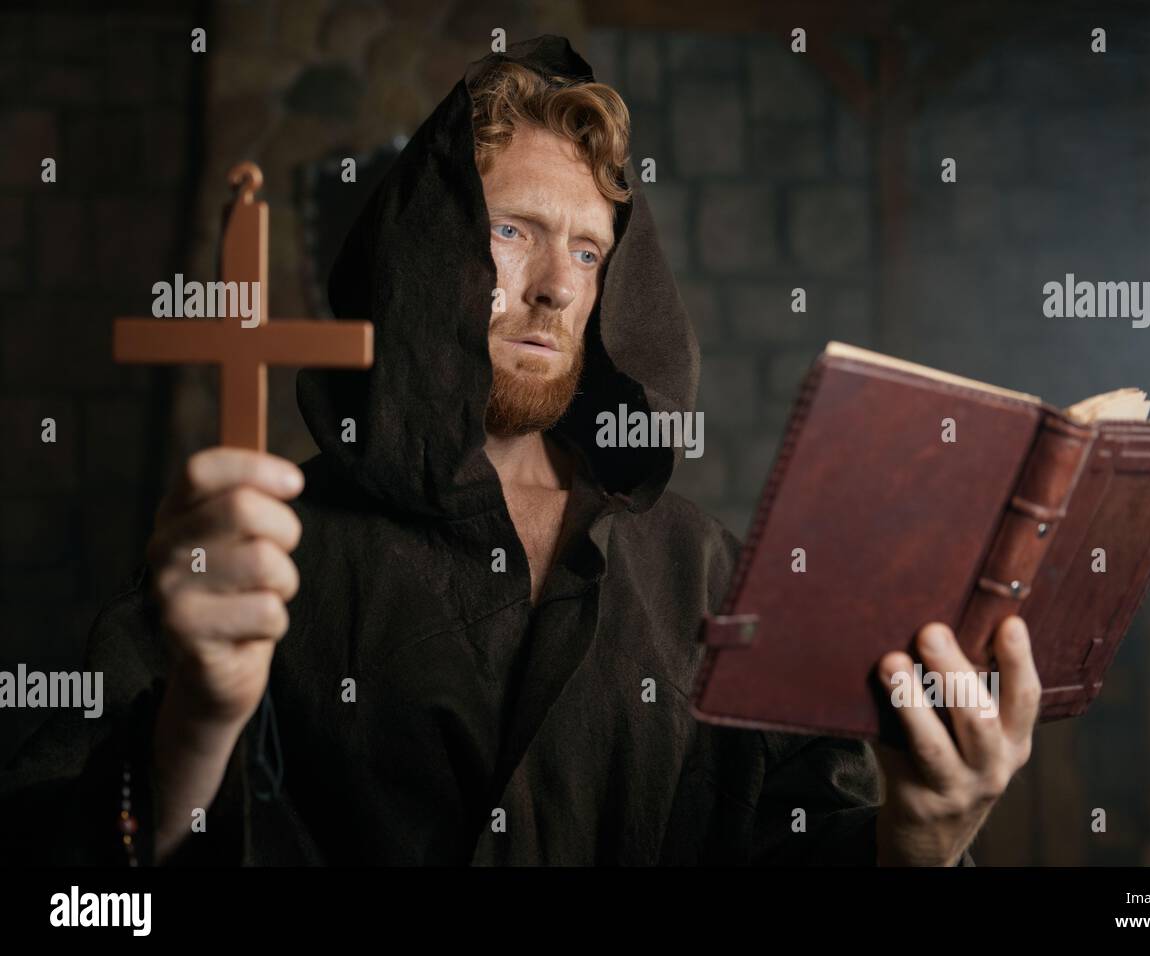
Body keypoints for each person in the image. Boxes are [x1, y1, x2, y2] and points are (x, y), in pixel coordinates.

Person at [2, 35, 1038, 866]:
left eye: (587, 248)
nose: (554, 284)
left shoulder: (711, 577)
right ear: (428, 257)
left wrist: (922, 840)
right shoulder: (260, 557)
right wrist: (194, 729)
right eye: (513, 231)